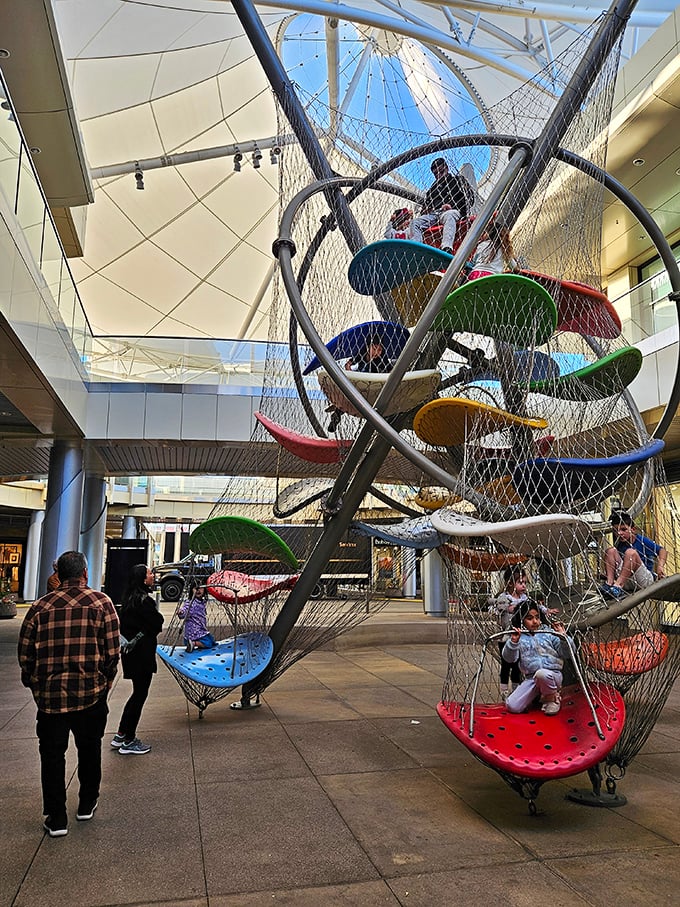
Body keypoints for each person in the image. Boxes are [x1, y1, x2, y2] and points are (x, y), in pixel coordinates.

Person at [17, 551, 119, 837]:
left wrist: (35, 683)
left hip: (50, 701)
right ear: (85, 573)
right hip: (90, 695)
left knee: (52, 757)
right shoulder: (102, 603)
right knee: (90, 750)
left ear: (58, 575)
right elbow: (112, 652)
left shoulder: (40, 608)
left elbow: (25, 655)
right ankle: (87, 802)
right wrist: (106, 681)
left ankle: (56, 817)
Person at [111, 564, 164, 755]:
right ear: (143, 579)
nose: (153, 575)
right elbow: (157, 623)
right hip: (142, 655)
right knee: (139, 695)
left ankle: (121, 733)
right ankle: (129, 740)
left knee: (136, 693)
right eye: (150, 573)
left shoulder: (128, 600)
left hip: (131, 654)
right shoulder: (145, 602)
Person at [502, 600, 569, 716]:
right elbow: (509, 659)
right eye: (529, 618)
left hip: (552, 675)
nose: (535, 621)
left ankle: (552, 698)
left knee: (542, 674)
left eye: (537, 617)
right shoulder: (520, 637)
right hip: (532, 679)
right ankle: (537, 696)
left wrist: (563, 637)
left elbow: (567, 653)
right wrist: (513, 643)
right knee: (512, 705)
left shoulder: (548, 633)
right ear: (521, 620)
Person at [327, 335, 393, 432]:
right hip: (360, 377)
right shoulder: (361, 353)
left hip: (373, 381)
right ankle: (336, 415)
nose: (376, 353)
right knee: (349, 397)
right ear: (368, 347)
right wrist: (351, 374)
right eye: (374, 349)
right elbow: (348, 364)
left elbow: (391, 370)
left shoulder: (382, 358)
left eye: (379, 350)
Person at [410, 157, 474, 253]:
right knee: (415, 223)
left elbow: (470, 199)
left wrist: (452, 205)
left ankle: (446, 247)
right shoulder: (433, 188)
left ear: (447, 168)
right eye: (436, 173)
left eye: (441, 171)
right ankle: (417, 249)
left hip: (453, 211)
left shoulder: (458, 180)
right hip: (435, 215)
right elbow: (427, 205)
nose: (439, 175)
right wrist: (426, 210)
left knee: (449, 215)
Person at [601, 510, 667, 600]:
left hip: (644, 581)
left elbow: (662, 550)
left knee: (630, 553)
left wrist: (660, 566)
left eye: (623, 529)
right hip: (627, 580)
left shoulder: (641, 540)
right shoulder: (620, 545)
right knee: (610, 551)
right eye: (616, 531)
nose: (619, 533)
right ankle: (609, 583)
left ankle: (618, 586)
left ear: (633, 529)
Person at [488, 566, 527, 699]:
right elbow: (495, 606)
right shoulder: (504, 597)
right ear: (511, 583)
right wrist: (505, 608)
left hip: (520, 636)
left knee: (517, 665)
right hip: (506, 636)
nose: (524, 586)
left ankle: (516, 690)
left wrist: (546, 611)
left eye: (525, 583)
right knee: (506, 666)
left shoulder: (524, 598)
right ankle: (504, 690)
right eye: (521, 582)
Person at [178, 581, 216, 652]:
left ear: (204, 590)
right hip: (194, 631)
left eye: (201, 588)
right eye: (195, 588)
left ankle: (193, 644)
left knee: (211, 640)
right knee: (209, 643)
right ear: (191, 590)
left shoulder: (201, 602)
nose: (198, 590)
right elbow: (185, 609)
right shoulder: (191, 602)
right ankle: (193, 643)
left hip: (200, 629)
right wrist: (181, 612)